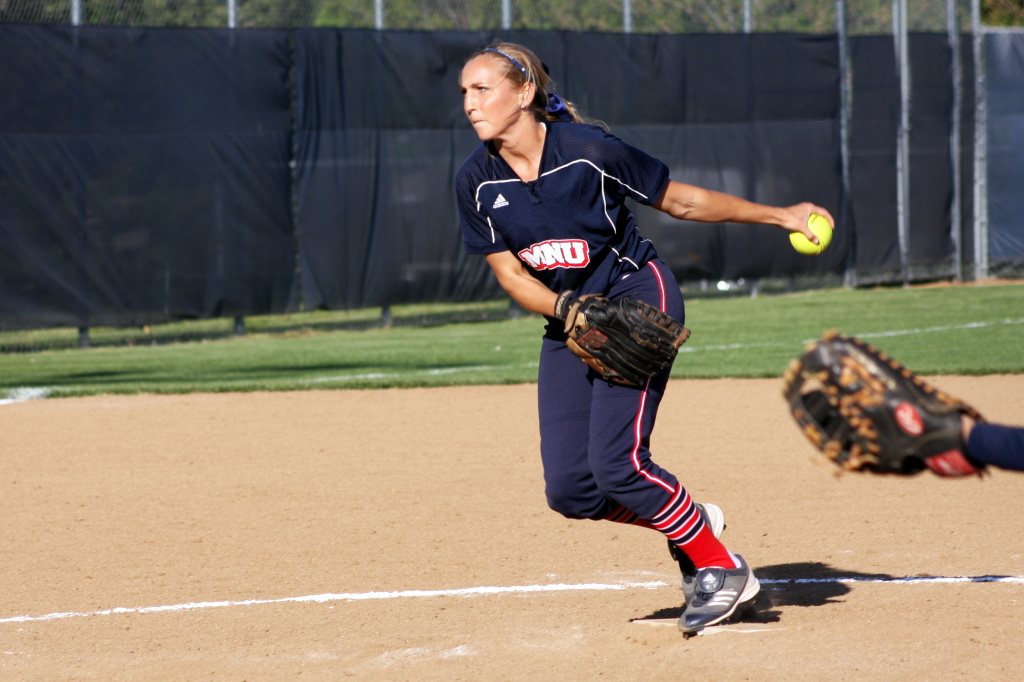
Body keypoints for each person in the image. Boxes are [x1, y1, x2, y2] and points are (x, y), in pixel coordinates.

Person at [454, 42, 835, 635]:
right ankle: (691, 523)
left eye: (482, 89)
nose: (470, 103)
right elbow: (510, 275)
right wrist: (566, 308)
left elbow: (682, 200)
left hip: (637, 302)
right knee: (573, 490)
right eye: (464, 93)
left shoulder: (587, 152)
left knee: (618, 464)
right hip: (571, 319)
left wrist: (781, 215)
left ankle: (720, 569)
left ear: (524, 93)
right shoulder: (476, 181)